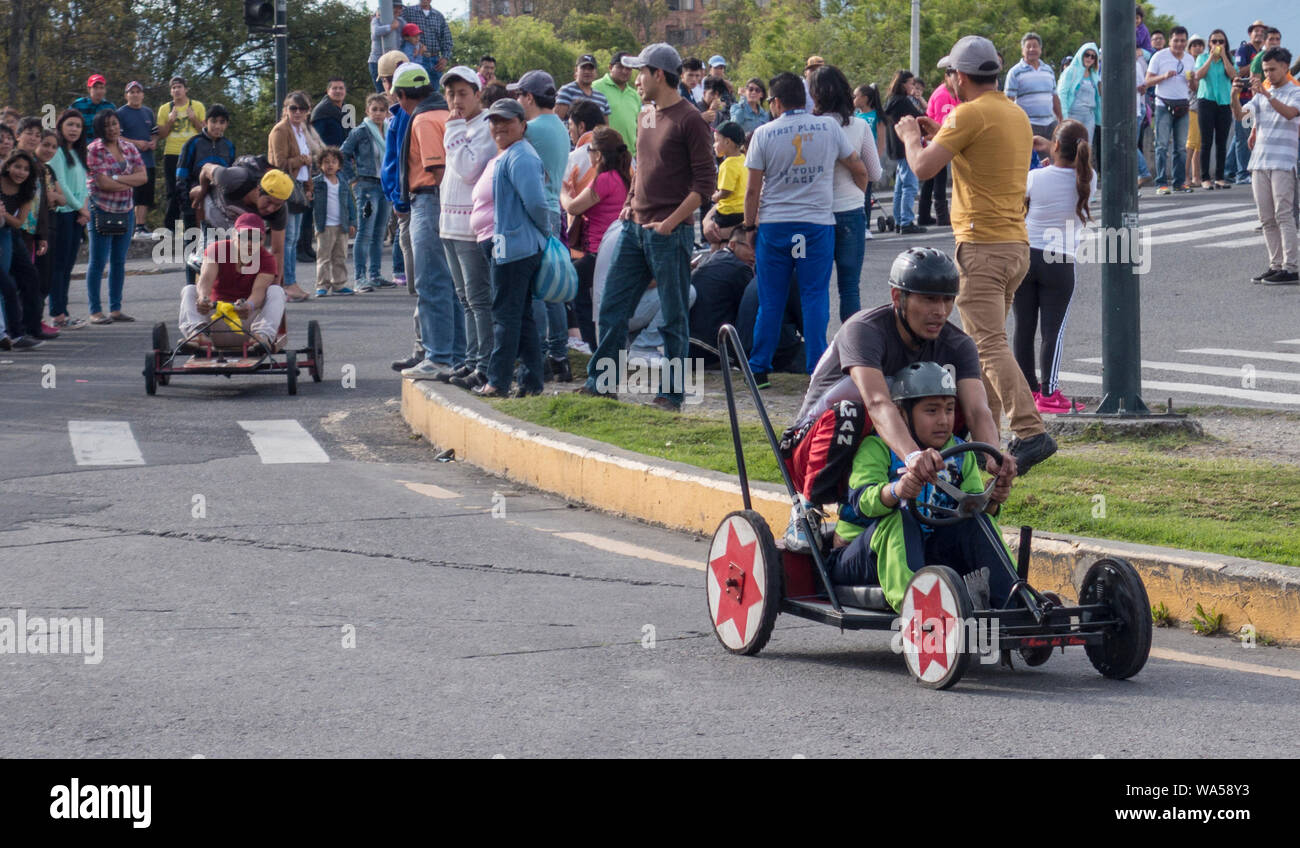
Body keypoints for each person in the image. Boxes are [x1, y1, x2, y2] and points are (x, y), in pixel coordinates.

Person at [778, 247, 1015, 551]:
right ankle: (806, 508)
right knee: (854, 408)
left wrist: (994, 457)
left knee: (946, 409)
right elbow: (876, 401)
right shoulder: (864, 330)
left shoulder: (958, 344)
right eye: (929, 299)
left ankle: (926, 500)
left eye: (947, 299)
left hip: (882, 446)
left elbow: (978, 409)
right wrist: (914, 457)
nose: (940, 311)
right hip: (813, 448)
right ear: (897, 298)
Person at [895, 34, 1057, 474]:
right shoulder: (1015, 114)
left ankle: (1030, 430)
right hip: (1015, 244)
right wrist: (939, 133)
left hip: (982, 244)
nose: (951, 80)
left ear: (960, 76)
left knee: (985, 344)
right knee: (984, 346)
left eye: (951, 74)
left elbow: (923, 167)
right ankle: (986, 441)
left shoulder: (968, 113)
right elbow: (977, 152)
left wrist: (912, 136)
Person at [577, 43, 715, 412]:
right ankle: (601, 384)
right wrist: (628, 201)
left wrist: (670, 224)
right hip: (634, 229)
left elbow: (705, 185)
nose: (636, 79)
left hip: (669, 234)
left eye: (641, 72)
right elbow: (642, 162)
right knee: (612, 308)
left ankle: (672, 395)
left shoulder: (691, 120)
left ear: (658, 74)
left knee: (673, 317)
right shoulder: (647, 114)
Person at [825, 361, 1015, 612]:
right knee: (900, 519)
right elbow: (862, 503)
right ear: (902, 413)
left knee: (978, 522)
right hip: (860, 556)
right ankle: (916, 610)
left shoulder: (960, 452)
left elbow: (971, 510)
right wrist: (897, 490)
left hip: (928, 551)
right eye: (931, 411)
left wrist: (991, 500)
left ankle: (1016, 602)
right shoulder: (878, 447)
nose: (944, 420)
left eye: (949, 410)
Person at [743, 71, 869, 383]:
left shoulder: (763, 133)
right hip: (816, 224)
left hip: (775, 225)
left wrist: (748, 226)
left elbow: (751, 191)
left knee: (771, 299)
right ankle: (817, 367)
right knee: (815, 296)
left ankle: (759, 366)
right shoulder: (827, 127)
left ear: (775, 102)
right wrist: (858, 196)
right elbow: (857, 165)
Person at [1012, 120, 1095, 415]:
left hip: (1026, 253)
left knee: (1023, 326)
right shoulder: (1089, 179)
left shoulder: (1034, 177)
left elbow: (1022, 204)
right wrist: (1054, 153)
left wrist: (1044, 158)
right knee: (1053, 332)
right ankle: (1049, 392)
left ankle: (1028, 391)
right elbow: (1071, 168)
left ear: (1055, 146)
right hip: (1059, 259)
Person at [472, 97, 550, 398]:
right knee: (521, 314)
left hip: (515, 248)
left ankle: (498, 381)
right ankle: (531, 382)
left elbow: (536, 203)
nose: (499, 126)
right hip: (512, 246)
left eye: (506, 120)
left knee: (505, 315)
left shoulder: (522, 156)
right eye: (494, 121)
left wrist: (544, 234)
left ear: (522, 124)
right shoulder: (511, 153)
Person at [391, 61, 460, 381]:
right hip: (443, 202)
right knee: (452, 283)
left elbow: (437, 169)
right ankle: (457, 354)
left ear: (404, 95)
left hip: (430, 200)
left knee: (431, 281)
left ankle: (439, 356)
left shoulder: (422, 120)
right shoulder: (444, 113)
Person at [512, 70, 572, 381]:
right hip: (555, 209)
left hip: (535, 210)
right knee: (552, 286)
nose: (517, 102)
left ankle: (535, 355)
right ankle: (559, 355)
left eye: (519, 96)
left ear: (530, 98)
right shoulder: (561, 127)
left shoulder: (531, 129)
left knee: (533, 289)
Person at [439, 65, 496, 390]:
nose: (456, 100)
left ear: (477, 94)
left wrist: (454, 128)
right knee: (464, 298)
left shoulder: (484, 126)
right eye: (451, 94)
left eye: (462, 93)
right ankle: (472, 359)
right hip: (449, 223)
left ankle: (484, 364)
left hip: (471, 227)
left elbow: (468, 168)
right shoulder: (460, 126)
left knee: (478, 299)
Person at [812, 65, 882, 321]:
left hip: (816, 214)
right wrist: (858, 189)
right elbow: (874, 173)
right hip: (851, 212)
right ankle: (853, 350)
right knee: (850, 288)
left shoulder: (810, 126)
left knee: (814, 289)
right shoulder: (859, 126)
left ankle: (817, 352)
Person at [1231, 47, 1300, 284]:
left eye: (1272, 69)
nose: (1268, 74)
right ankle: (1275, 264)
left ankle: (1291, 267)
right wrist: (1234, 95)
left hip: (1283, 162)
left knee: (1284, 214)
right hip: (1259, 161)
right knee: (1266, 218)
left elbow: (1290, 113)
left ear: (1285, 67)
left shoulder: (1294, 92)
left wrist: (1268, 95)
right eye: (1266, 70)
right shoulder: (1261, 93)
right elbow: (1242, 116)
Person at [180, 213, 285, 348]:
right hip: (213, 321)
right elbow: (205, 279)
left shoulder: (267, 259)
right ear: (234, 235)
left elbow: (259, 291)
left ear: (262, 240)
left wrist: (249, 305)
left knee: (276, 291)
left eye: (255, 238)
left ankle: (262, 336)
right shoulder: (216, 250)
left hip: (248, 325)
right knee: (189, 290)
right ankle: (198, 334)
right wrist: (203, 298)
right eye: (244, 237)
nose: (249, 243)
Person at [190, 158, 292, 293]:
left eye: (277, 205)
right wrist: (202, 191)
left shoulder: (279, 211)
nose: (270, 209)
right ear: (259, 189)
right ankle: (202, 298)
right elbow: (205, 167)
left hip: (240, 228)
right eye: (268, 201)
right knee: (206, 264)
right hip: (214, 214)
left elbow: (278, 251)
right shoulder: (234, 178)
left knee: (240, 265)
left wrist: (275, 287)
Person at [84, 111, 147, 324]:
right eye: (107, 125)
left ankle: (116, 309)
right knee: (98, 262)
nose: (112, 128)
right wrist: (130, 181)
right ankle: (95, 311)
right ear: (100, 128)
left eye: (115, 123)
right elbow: (103, 184)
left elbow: (143, 177)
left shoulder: (129, 147)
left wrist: (118, 178)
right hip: (100, 208)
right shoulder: (94, 149)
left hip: (126, 209)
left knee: (119, 261)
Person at [267, 91, 323, 301]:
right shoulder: (280, 131)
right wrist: (301, 160)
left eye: (302, 109)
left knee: (293, 238)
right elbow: (278, 163)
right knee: (286, 239)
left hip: (299, 187)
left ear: (308, 111)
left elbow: (307, 165)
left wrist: (309, 186)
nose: (297, 112)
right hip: (284, 188)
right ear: (286, 109)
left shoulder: (302, 131)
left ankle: (288, 282)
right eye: (293, 108)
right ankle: (285, 283)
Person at [176, 104, 237, 285]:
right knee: (193, 250)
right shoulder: (193, 143)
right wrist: (186, 204)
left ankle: (215, 291)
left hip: (219, 208)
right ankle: (191, 289)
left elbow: (232, 176)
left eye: (222, 122)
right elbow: (181, 175)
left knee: (218, 250)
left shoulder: (229, 146)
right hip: (194, 205)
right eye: (213, 121)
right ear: (205, 122)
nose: (217, 126)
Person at [341, 93, 395, 292]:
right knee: (365, 232)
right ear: (367, 111)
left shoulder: (389, 130)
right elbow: (343, 154)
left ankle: (375, 274)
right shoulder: (360, 131)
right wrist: (352, 179)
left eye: (382, 110)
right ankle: (360, 278)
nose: (378, 114)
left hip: (385, 185)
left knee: (379, 232)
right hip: (366, 185)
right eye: (375, 110)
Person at [0, 151, 49, 346]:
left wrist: (4, 215)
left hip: (6, 233)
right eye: (17, 166)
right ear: (8, 166)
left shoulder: (27, 191)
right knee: (7, 287)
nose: (21, 172)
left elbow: (19, 222)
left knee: (14, 283)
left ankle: (20, 332)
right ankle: (13, 334)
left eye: (26, 169)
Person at [46, 110, 90, 329]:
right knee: (59, 266)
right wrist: (79, 208)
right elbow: (61, 184)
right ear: (61, 126)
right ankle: (57, 314)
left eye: (78, 126)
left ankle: (64, 312)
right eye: (70, 124)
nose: (74, 129)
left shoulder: (78, 153)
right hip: (63, 215)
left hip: (76, 215)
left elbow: (83, 186)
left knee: (68, 266)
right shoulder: (57, 153)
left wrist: (83, 209)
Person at [1146, 26, 1195, 195]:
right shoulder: (1159, 57)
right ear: (1170, 41)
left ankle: (1179, 182)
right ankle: (1161, 183)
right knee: (1161, 145)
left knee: (1181, 147)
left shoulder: (1189, 59)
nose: (1179, 44)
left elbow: (1194, 87)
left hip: (1183, 104)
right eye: (1176, 40)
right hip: (1163, 105)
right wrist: (1164, 76)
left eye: (1183, 41)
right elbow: (1148, 81)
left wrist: (1193, 80)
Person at [155, 77, 206, 232]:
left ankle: (192, 228)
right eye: (174, 88)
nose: (176, 90)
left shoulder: (197, 106)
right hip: (172, 154)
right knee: (173, 193)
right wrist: (170, 121)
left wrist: (194, 119)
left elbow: (204, 131)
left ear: (186, 89)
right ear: (171, 91)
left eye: (179, 87)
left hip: (193, 154)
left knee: (193, 191)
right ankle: (172, 230)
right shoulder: (165, 108)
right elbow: (161, 134)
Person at [884, 70, 927, 234]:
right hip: (906, 146)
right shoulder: (903, 102)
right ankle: (906, 221)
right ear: (903, 84)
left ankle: (898, 219)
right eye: (910, 83)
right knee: (910, 185)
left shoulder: (891, 101)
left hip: (895, 147)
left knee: (900, 186)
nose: (913, 87)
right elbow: (920, 117)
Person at [311, 147, 357, 296]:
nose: (330, 165)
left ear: (339, 165)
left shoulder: (343, 183)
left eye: (333, 162)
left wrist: (352, 222)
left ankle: (339, 284)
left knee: (340, 256)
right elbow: (310, 200)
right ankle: (322, 285)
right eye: (326, 162)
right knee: (324, 257)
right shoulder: (317, 183)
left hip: (341, 225)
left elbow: (350, 202)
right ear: (320, 165)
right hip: (324, 226)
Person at [919, 61, 960, 228]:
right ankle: (942, 216)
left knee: (931, 180)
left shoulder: (956, 94)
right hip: (937, 139)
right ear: (947, 77)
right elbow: (942, 122)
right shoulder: (942, 95)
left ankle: (923, 215)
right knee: (939, 179)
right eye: (953, 77)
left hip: (946, 138)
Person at [1228, 21, 1269, 185]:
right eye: (1256, 31)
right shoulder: (1244, 49)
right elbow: (1238, 71)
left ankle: (1229, 169)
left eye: (1261, 31)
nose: (1259, 33)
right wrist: (1256, 64)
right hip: (1243, 97)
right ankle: (1242, 172)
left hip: (1256, 97)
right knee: (1241, 137)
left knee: (1240, 136)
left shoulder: (1262, 52)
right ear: (1250, 34)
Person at [115, 81, 158, 236]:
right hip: (128, 161)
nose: (135, 95)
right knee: (130, 194)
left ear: (142, 94)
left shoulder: (148, 112)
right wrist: (136, 143)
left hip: (148, 159)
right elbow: (117, 136)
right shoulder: (120, 113)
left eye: (137, 92)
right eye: (131, 92)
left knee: (145, 194)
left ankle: (141, 226)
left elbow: (154, 132)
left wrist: (153, 142)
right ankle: (127, 226)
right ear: (126, 95)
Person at [1005, 32, 1063, 138]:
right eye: (1028, 46)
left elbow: (1054, 97)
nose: (1032, 49)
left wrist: (1061, 119)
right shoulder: (1015, 72)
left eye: (1035, 46)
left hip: (1050, 124)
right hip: (1028, 125)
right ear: (1023, 51)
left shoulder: (1048, 70)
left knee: (1052, 154)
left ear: (1040, 49)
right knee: (1030, 155)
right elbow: (1009, 101)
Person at [702, 121, 746, 249]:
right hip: (742, 210)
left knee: (715, 242)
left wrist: (716, 197)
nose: (714, 145)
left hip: (729, 213)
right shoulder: (743, 159)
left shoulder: (727, 164)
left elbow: (726, 191)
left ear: (727, 142)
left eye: (716, 141)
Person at [592, 53, 643, 159]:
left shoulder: (634, 95)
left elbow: (639, 127)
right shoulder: (596, 88)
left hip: (629, 156)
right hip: (603, 155)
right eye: (620, 67)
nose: (624, 71)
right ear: (610, 67)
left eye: (628, 68)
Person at [403, 1, 452, 89]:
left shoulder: (438, 16)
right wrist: (378, 13)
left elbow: (447, 38)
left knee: (435, 93)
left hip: (435, 61)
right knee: (419, 91)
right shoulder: (408, 12)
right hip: (417, 59)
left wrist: (445, 58)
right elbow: (395, 12)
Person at [1058, 43, 1101, 142]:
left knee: (1086, 148)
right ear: (1081, 55)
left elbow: (1098, 98)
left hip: (1089, 117)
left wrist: (1100, 118)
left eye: (1093, 56)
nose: (1089, 58)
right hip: (1073, 115)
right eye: (1087, 54)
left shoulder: (1095, 75)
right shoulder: (1070, 71)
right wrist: (1064, 118)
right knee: (1071, 148)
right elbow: (1062, 94)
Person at [556, 55, 609, 121]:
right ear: (576, 70)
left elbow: (605, 127)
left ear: (596, 72)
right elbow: (557, 121)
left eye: (590, 69)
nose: (587, 72)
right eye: (583, 68)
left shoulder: (602, 98)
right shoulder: (566, 91)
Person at [370, 1, 406, 91]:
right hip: (376, 62)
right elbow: (376, 31)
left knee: (395, 92)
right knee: (382, 92)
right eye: (395, 7)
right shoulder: (377, 20)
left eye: (400, 8)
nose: (397, 10)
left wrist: (418, 46)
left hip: (394, 63)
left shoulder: (401, 22)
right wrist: (391, 27)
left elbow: (409, 34)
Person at [71, 74, 117, 142]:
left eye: (101, 88)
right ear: (89, 89)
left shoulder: (110, 107)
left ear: (105, 90)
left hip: (104, 146)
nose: (99, 91)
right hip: (81, 146)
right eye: (95, 88)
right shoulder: (78, 105)